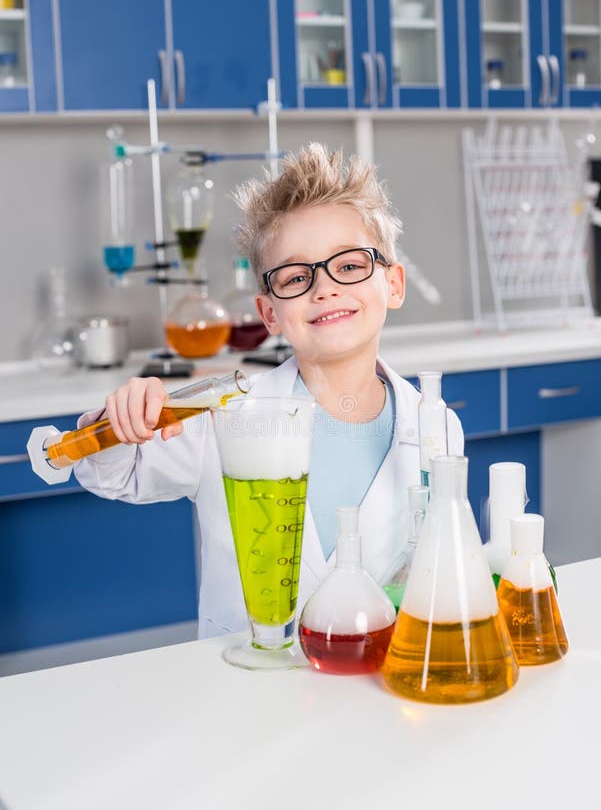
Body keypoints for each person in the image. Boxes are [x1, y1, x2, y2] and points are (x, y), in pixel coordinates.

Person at [74, 143, 463, 637]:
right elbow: (112, 472)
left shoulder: (436, 426)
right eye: (297, 277)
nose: (325, 289)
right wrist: (122, 418)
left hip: (381, 689)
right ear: (269, 313)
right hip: (247, 690)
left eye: (349, 266)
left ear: (394, 284)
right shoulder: (222, 415)